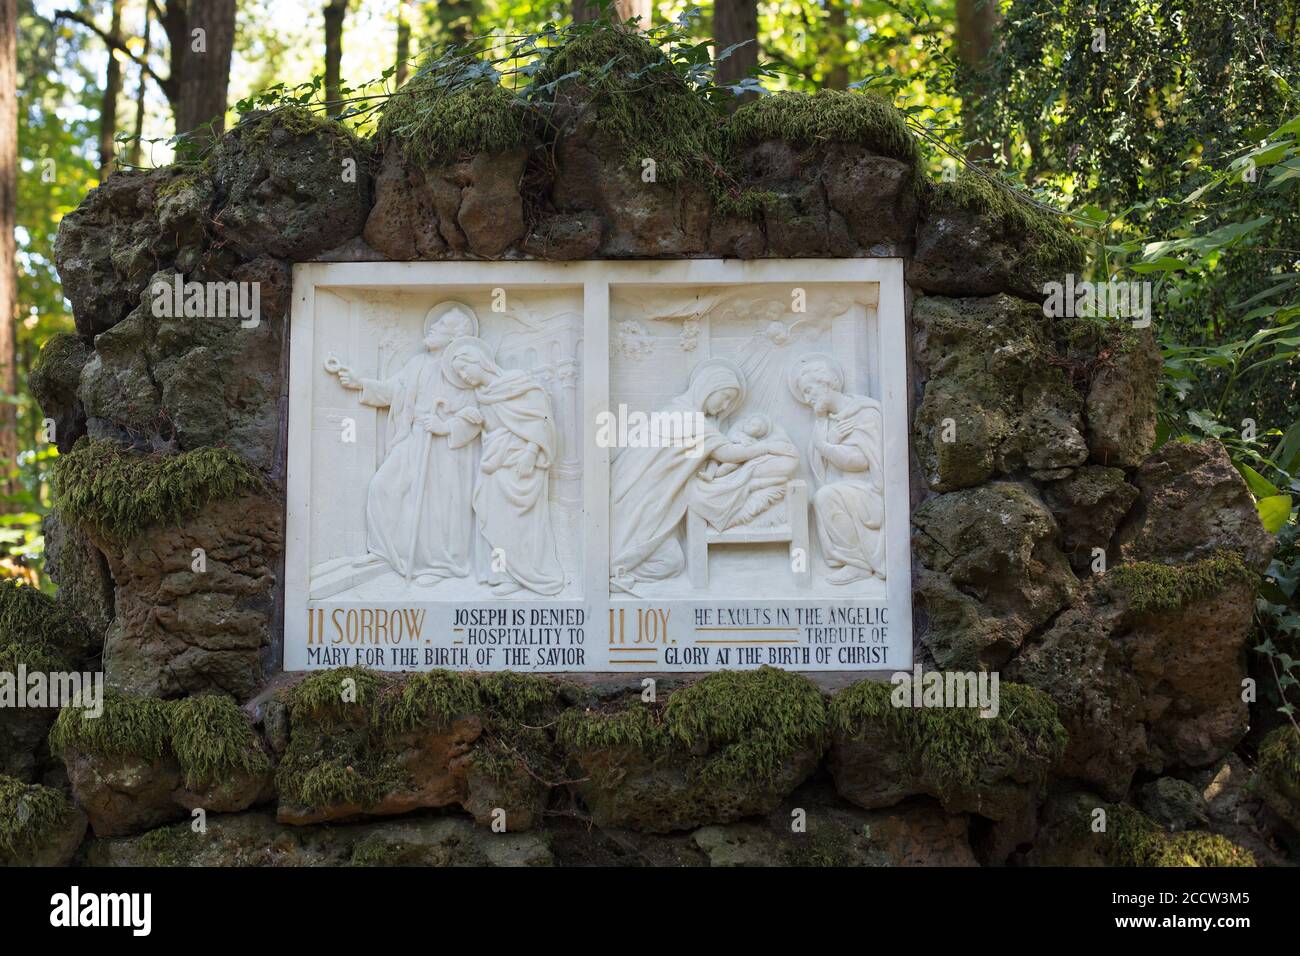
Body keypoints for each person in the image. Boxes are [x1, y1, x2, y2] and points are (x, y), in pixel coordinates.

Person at [329, 304, 480, 585]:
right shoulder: (417, 364)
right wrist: (359, 382)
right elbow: (394, 390)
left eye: (441, 325)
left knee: (437, 508)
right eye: (433, 323)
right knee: (381, 487)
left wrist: (446, 427)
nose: (433, 327)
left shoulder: (463, 369)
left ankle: (441, 565)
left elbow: (474, 415)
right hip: (412, 438)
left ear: (453, 338)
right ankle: (384, 551)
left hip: (444, 449)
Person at [609, 359, 785, 589]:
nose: (726, 406)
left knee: (670, 562)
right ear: (709, 387)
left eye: (731, 402)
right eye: (725, 397)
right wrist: (766, 448)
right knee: (666, 560)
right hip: (645, 497)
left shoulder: (680, 412)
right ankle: (619, 567)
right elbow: (727, 453)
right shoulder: (688, 417)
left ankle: (623, 566)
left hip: (653, 497)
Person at [441, 336, 565, 596]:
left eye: (465, 368)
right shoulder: (479, 396)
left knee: (521, 523)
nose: (463, 376)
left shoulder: (517, 383)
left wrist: (531, 452)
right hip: (494, 464)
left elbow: (541, 419)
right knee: (494, 518)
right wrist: (473, 420)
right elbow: (484, 427)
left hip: (521, 463)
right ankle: (499, 574)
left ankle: (527, 571)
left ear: (479, 362)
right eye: (458, 373)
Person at [788, 353, 886, 584]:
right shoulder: (824, 422)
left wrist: (825, 446)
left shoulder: (865, 412)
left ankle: (859, 563)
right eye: (803, 393)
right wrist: (824, 437)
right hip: (846, 489)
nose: (807, 398)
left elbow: (860, 460)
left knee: (825, 496)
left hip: (870, 492)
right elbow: (816, 465)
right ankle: (855, 562)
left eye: (809, 390)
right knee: (823, 496)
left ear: (826, 383)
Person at [693, 413, 800, 529]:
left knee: (730, 466)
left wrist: (752, 447)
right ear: (748, 420)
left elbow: (750, 452)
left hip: (737, 460)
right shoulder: (737, 431)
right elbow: (730, 441)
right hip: (728, 454)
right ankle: (711, 474)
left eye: (758, 429)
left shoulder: (754, 441)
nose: (754, 428)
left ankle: (717, 474)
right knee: (715, 462)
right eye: (753, 424)